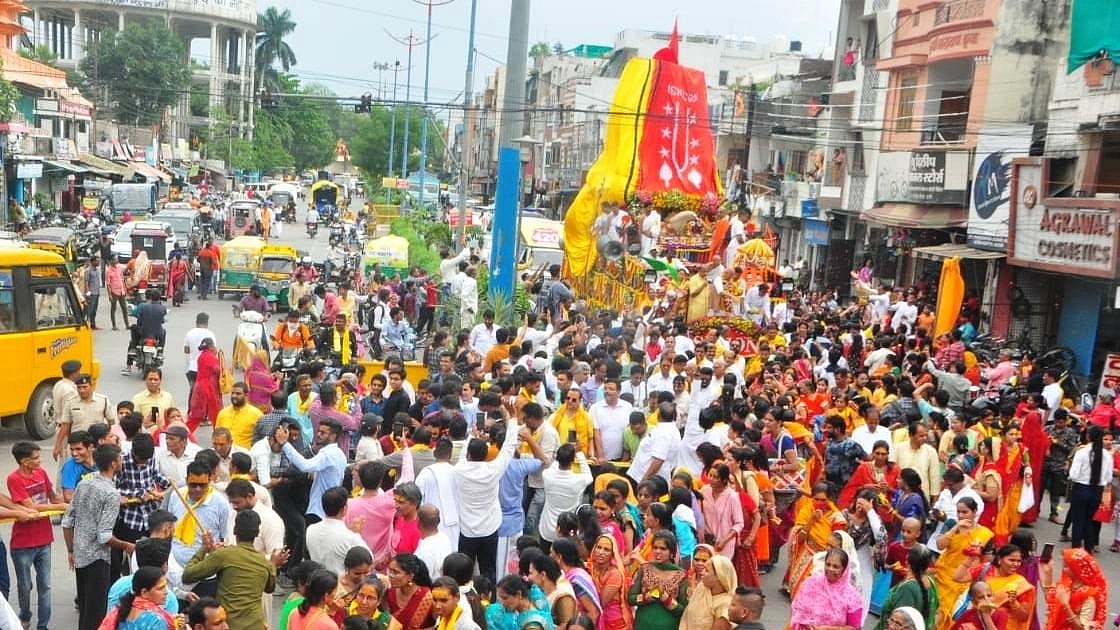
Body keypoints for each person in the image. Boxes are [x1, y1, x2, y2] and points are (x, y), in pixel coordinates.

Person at [62, 444, 135, 630]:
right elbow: (104, 536)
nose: (122, 461)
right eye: (120, 458)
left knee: (85, 609)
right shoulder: (111, 494)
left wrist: (71, 550)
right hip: (97, 558)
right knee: (96, 614)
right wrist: (126, 545)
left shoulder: (84, 484)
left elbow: (67, 521)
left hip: (80, 556)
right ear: (113, 464)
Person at [181, 510, 278, 630]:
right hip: (255, 625)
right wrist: (273, 565)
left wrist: (204, 548)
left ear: (234, 530)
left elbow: (188, 575)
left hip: (227, 625)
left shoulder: (224, 555)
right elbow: (270, 588)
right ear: (257, 533)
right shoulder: (264, 562)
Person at [452, 418, 521, 582]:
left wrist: (472, 436)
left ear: (469, 455)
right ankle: (490, 595)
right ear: (486, 455)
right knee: (488, 571)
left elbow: (462, 456)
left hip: (467, 530)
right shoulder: (493, 469)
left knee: (464, 573)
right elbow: (508, 448)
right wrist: (513, 421)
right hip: (489, 530)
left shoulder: (459, 470)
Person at [7, 441, 65, 630]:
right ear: (24, 461)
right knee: (25, 586)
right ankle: (25, 614)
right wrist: (61, 506)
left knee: (45, 586)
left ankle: (43, 626)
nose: (40, 461)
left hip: (44, 539)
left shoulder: (41, 473)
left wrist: (68, 500)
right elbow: (31, 507)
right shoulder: (14, 479)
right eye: (36, 458)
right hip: (22, 543)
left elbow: (53, 496)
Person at [932, 497, 994, 630]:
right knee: (938, 613)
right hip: (943, 578)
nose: (960, 515)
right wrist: (956, 527)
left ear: (975, 512)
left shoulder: (985, 534)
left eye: (965, 512)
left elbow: (986, 562)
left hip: (964, 580)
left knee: (956, 615)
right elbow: (940, 545)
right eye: (958, 512)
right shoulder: (951, 524)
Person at [954, 544, 1036, 630]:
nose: (1015, 564)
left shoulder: (1020, 584)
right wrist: (968, 560)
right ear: (999, 559)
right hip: (977, 621)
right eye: (1011, 560)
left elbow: (1023, 617)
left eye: (1018, 561)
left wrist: (1014, 603)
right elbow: (958, 578)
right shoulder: (986, 570)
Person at [786, 481, 845, 599]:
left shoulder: (836, 516)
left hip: (827, 557)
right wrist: (812, 520)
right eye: (816, 499)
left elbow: (839, 539)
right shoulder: (806, 511)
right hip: (807, 553)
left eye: (823, 500)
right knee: (801, 592)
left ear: (829, 499)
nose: (819, 502)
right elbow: (798, 538)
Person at [789, 547, 863, 630]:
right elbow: (797, 608)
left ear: (844, 570)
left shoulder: (852, 597)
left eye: (835, 567)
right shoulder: (812, 582)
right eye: (828, 564)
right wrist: (806, 623)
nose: (830, 569)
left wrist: (828, 628)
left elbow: (854, 627)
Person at [628, 529, 688, 630]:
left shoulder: (681, 575)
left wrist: (667, 599)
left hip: (668, 626)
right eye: (655, 548)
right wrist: (646, 597)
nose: (657, 551)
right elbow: (631, 599)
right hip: (642, 625)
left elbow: (684, 610)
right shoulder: (644, 569)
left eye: (663, 548)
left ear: (672, 552)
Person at [305, 487, 370, 575]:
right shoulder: (350, 537)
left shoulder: (310, 529)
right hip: (339, 581)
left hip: (317, 579)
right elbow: (368, 559)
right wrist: (356, 534)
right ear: (344, 509)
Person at [1039, 547, 1107, 630]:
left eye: (1066, 566)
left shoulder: (1088, 595)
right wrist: (1048, 573)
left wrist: (1066, 606)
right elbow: (1051, 600)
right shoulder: (1066, 585)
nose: (1063, 569)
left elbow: (1083, 628)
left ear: (1077, 569)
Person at [1068, 425, 1111, 552]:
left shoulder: (1081, 452)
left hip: (1081, 488)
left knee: (1078, 521)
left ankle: (1076, 550)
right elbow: (1108, 477)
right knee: (1089, 520)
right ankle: (1088, 549)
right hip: (1097, 490)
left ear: (1088, 436)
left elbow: (1073, 474)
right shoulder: (1107, 455)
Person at [54, 374, 115, 460]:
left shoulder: (103, 400)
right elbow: (65, 425)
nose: (81, 390)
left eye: (84, 387)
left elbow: (111, 422)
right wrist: (58, 444)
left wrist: (110, 441)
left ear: (91, 386)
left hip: (96, 445)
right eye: (79, 387)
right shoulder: (70, 402)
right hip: (78, 445)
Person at [876, 544, 938, 630]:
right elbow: (936, 611)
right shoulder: (931, 582)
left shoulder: (908, 589)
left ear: (907, 561)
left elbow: (898, 622)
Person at [100, 566, 178, 630]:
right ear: (144, 592)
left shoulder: (121, 611)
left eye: (165, 587)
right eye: (160, 588)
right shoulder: (156, 621)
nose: (166, 592)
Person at [680, 554, 737, 630]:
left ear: (719, 576)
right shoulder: (702, 588)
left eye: (706, 570)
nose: (702, 573)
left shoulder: (725, 605)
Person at [385, 553, 435, 630]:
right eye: (390, 571)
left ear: (410, 576)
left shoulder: (426, 596)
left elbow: (437, 624)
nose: (390, 575)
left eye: (396, 572)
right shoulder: (389, 592)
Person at [124, 289, 167, 375]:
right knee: (164, 332)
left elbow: (138, 316)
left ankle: (131, 355)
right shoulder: (163, 308)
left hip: (143, 332)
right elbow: (162, 319)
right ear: (159, 298)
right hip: (157, 334)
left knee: (133, 328)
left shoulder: (143, 306)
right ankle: (160, 351)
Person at [487, 574, 551, 630]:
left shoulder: (533, 624)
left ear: (519, 594)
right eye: (500, 599)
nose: (502, 603)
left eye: (505, 598)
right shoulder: (522, 613)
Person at [188, 338, 222, 435]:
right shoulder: (209, 356)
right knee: (216, 415)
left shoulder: (202, 355)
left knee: (196, 416)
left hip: (200, 387)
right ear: (211, 347)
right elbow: (217, 370)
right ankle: (219, 435)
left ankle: (184, 433)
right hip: (208, 389)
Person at [183, 313, 217, 401]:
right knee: (206, 393)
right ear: (207, 323)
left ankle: (191, 407)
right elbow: (214, 351)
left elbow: (186, 350)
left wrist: (193, 355)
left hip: (192, 368)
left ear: (196, 322)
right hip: (206, 370)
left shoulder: (190, 333)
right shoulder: (210, 334)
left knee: (193, 392)